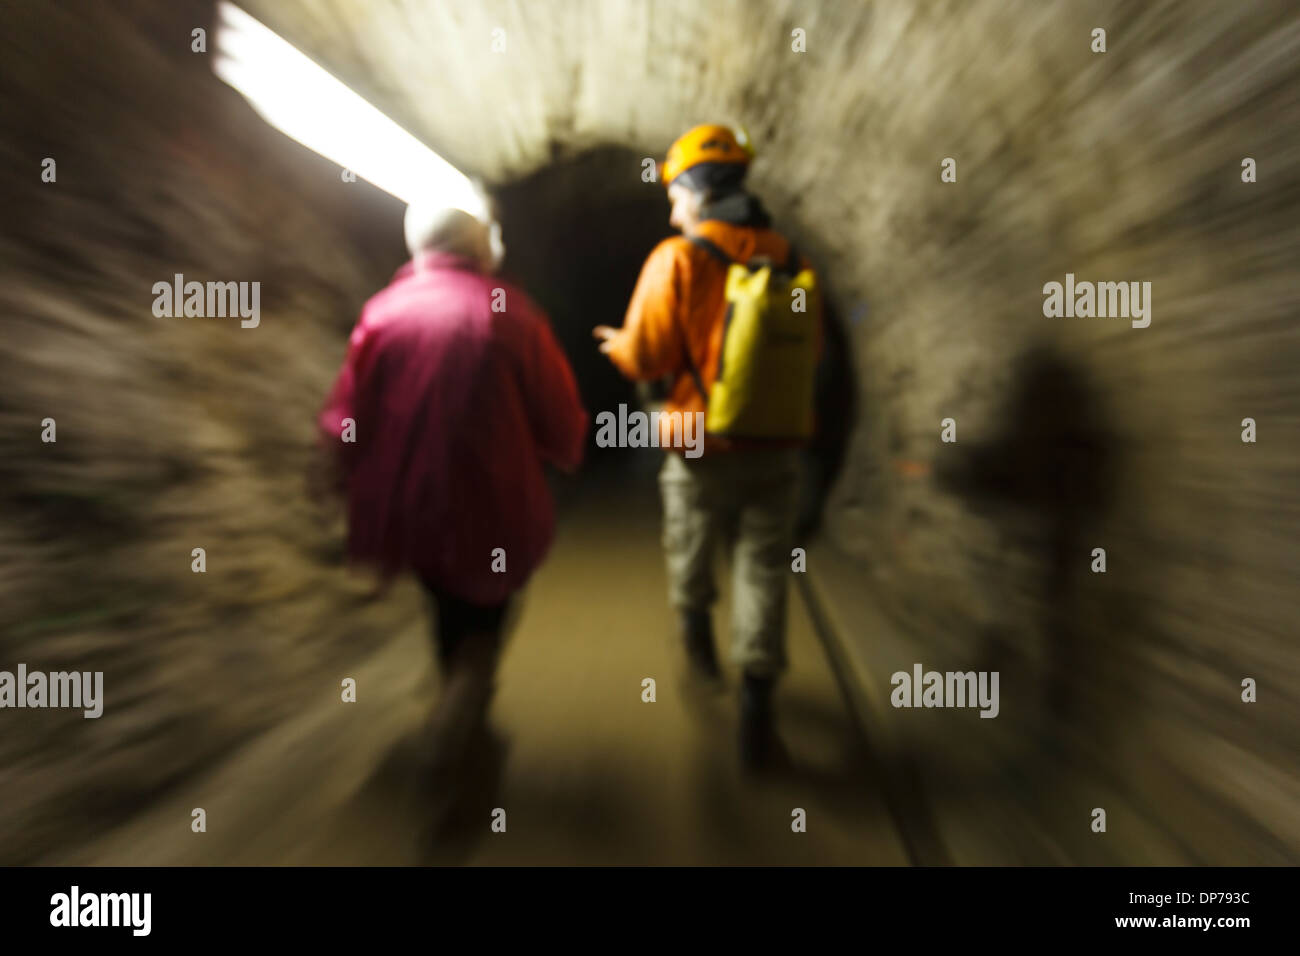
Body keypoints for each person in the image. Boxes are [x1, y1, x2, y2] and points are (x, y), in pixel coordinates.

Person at [318, 201, 587, 808]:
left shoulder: (383, 313)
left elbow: (348, 415)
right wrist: (565, 450)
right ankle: (454, 722)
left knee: (445, 603)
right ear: (479, 249)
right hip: (493, 507)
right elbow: (559, 417)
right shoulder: (512, 313)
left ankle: (463, 713)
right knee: (485, 621)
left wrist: (337, 474)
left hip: (410, 507)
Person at [593, 125, 821, 770]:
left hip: (698, 440)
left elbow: (647, 355)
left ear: (698, 192)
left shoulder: (678, 258)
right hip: (777, 444)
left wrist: (618, 346)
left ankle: (699, 650)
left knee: (690, 545)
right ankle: (757, 706)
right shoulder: (792, 258)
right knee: (765, 568)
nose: (673, 212)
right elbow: (811, 352)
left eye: (675, 196)